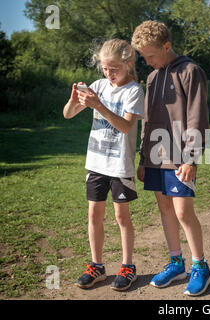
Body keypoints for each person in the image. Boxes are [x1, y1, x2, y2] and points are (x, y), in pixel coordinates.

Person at [131, 20, 210, 296]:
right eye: (143, 56)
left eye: (151, 55)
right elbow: (148, 121)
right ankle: (176, 262)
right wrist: (143, 158)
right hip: (155, 156)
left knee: (182, 212)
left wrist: (191, 158)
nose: (147, 61)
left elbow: (197, 117)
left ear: (167, 46)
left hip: (180, 158)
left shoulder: (191, 71)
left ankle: (201, 266)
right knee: (165, 210)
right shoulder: (152, 78)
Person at [63, 39, 144, 291]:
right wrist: (74, 99)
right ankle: (96, 266)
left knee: (121, 216)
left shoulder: (134, 91)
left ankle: (127, 266)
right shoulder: (98, 85)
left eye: (114, 69)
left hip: (120, 166)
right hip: (96, 163)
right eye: (105, 69)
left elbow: (126, 126)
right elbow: (68, 114)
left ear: (128, 64)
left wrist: (99, 105)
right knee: (93, 215)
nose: (109, 74)